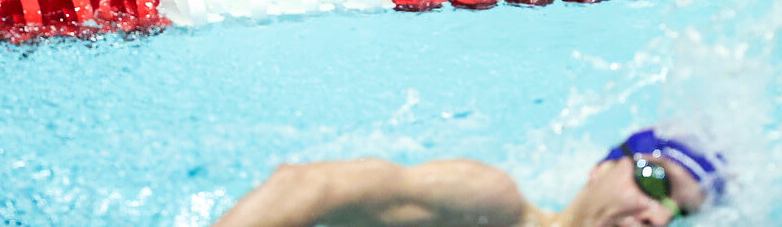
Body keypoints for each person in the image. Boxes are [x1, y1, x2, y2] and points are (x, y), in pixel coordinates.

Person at [213, 128, 725, 227]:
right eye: (655, 182)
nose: (658, 216)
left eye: (679, 214)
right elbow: (307, 186)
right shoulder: (491, 204)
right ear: (602, 167)